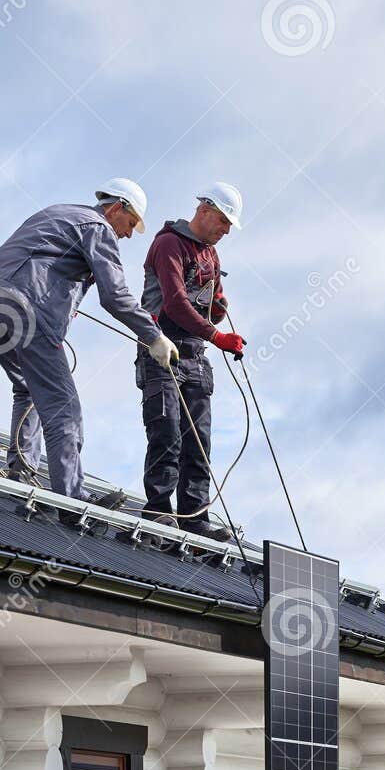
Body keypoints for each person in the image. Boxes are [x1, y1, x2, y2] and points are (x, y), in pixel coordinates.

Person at [0, 179, 178, 502]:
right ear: (116, 208)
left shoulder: (61, 212)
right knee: (63, 408)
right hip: (27, 307)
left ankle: (21, 471)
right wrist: (154, 337)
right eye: (130, 223)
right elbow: (115, 296)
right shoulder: (99, 228)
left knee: (29, 388)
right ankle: (72, 499)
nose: (127, 233)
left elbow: (44, 263)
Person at [136, 182, 246, 538]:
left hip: (195, 353)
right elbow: (174, 304)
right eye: (223, 221)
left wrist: (216, 312)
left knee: (199, 439)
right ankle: (157, 510)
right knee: (166, 430)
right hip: (161, 347)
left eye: (230, 224)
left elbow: (203, 310)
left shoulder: (211, 256)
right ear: (204, 211)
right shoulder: (169, 243)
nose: (226, 229)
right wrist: (217, 335)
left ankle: (195, 517)